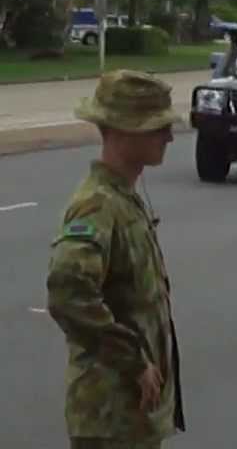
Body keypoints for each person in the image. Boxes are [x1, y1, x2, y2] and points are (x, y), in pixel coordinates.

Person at [46, 70, 185, 448]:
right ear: (125, 131)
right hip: (108, 415)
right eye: (158, 129)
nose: (169, 137)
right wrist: (134, 362)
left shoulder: (123, 198)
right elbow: (68, 292)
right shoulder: (97, 206)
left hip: (130, 414)